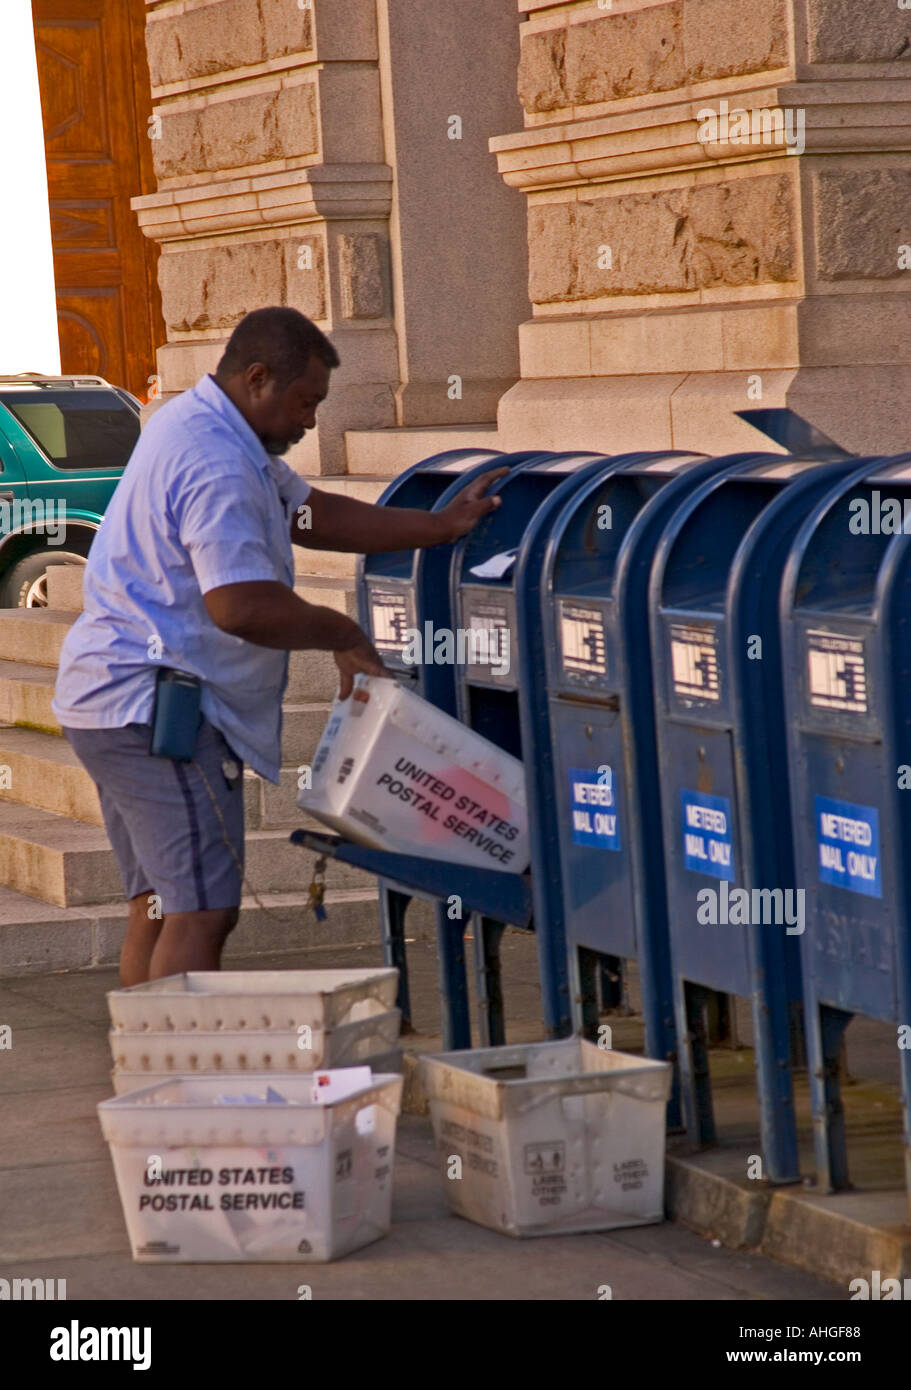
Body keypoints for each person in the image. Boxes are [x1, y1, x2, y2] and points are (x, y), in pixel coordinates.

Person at [53, 307, 505, 987]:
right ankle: (184, 1079)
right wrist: (344, 634)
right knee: (202, 912)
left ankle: (153, 1077)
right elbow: (239, 606)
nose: (310, 422)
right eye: (304, 402)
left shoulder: (203, 426)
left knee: (156, 903)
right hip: (157, 709)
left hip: (109, 702)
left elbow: (311, 514)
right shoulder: (217, 463)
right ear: (257, 378)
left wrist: (438, 526)